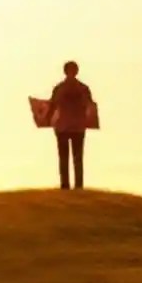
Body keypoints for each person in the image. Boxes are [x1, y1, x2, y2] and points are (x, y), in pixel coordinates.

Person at [47, 60, 95, 190]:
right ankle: (77, 186)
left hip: (64, 126)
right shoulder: (83, 88)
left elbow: (52, 106)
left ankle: (66, 185)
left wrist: (48, 120)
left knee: (65, 157)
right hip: (77, 127)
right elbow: (90, 106)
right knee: (77, 157)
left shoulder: (59, 88)